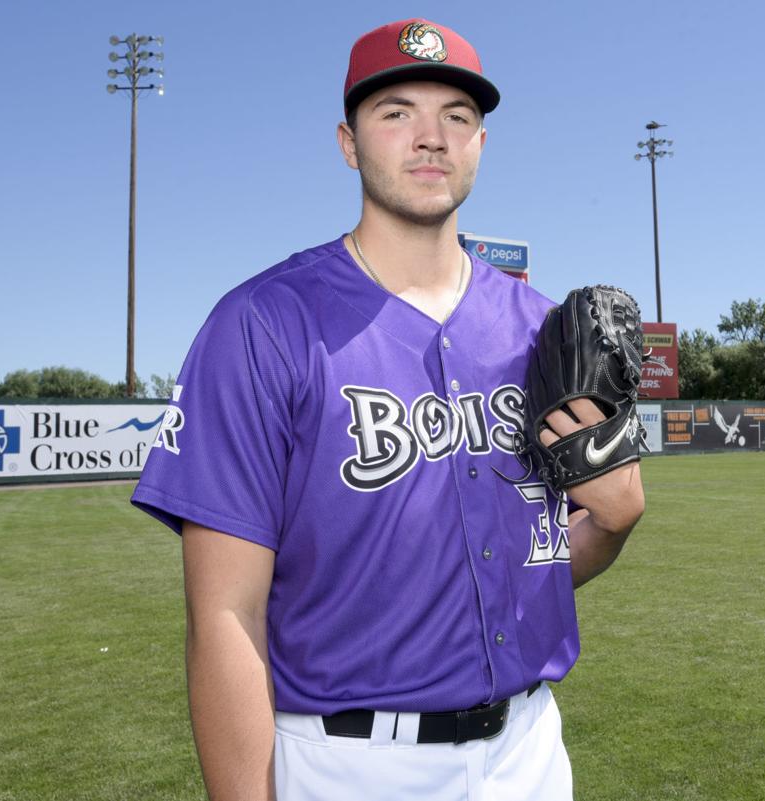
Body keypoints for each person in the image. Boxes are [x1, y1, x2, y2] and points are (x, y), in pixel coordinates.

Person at [131, 17, 644, 801]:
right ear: (349, 142)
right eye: (397, 112)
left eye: (458, 117)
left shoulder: (541, 330)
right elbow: (226, 614)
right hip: (350, 764)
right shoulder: (263, 325)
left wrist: (609, 524)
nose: (430, 137)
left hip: (531, 753)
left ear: (480, 144)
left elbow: (529, 572)